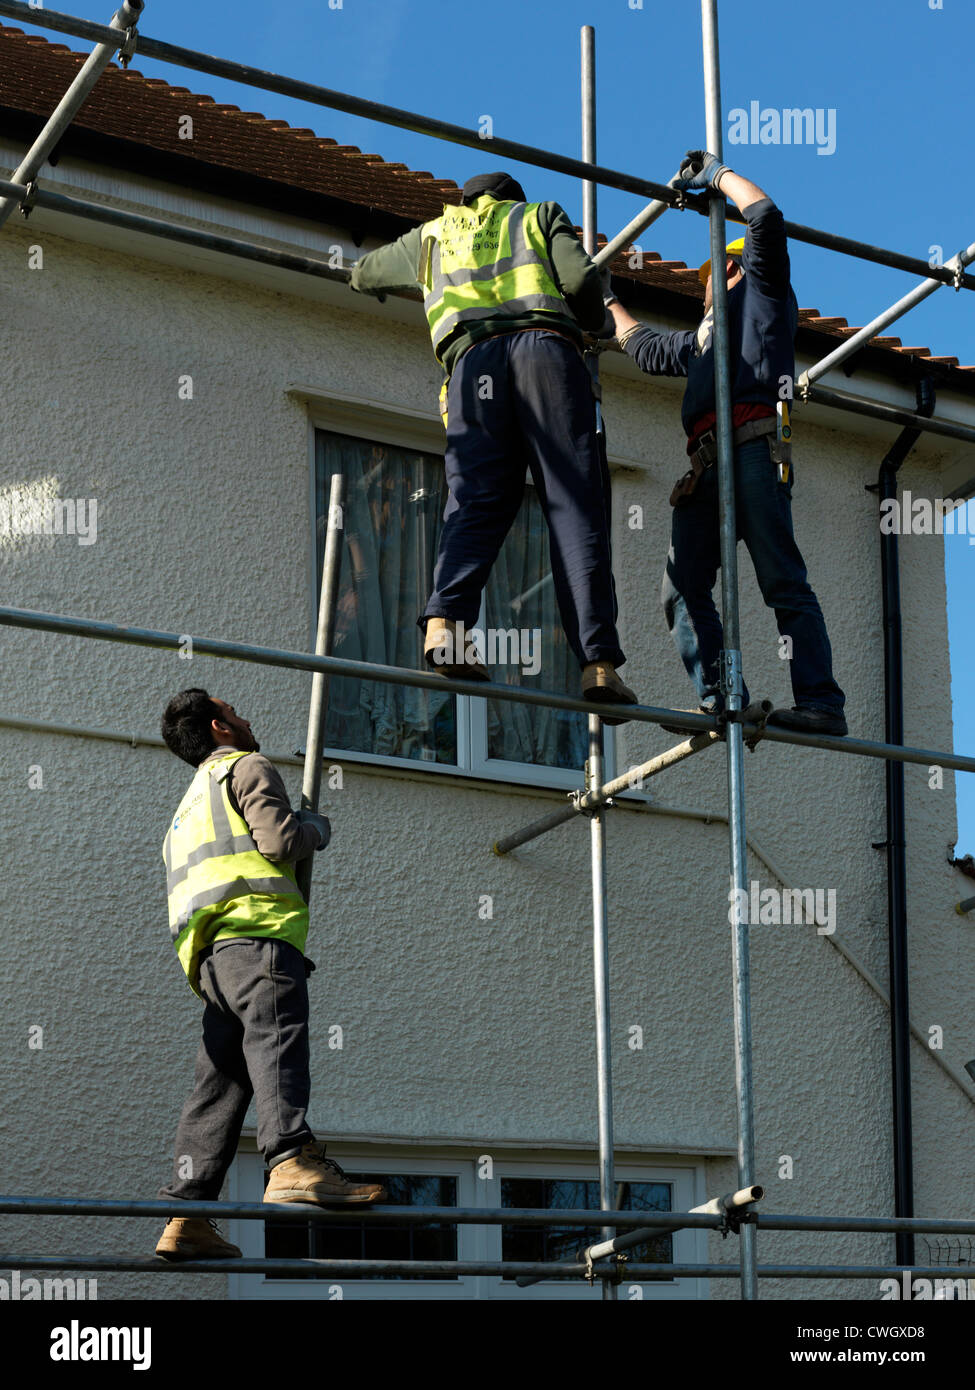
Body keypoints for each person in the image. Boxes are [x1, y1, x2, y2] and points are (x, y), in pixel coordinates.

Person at [350, 170, 637, 721]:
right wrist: (597, 323)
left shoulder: (432, 235)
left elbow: (364, 273)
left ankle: (445, 628)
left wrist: (389, 279)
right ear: (512, 199)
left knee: (475, 502)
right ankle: (597, 664)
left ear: (467, 201)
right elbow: (580, 285)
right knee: (574, 507)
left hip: (471, 368)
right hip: (546, 354)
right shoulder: (538, 215)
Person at [605, 151, 847, 737]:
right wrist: (605, 298)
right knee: (681, 585)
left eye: (716, 271)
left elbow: (763, 215)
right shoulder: (705, 341)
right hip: (708, 466)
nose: (708, 284)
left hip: (756, 449)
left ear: (732, 270)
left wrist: (718, 177)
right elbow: (645, 347)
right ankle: (721, 696)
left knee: (781, 581)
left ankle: (820, 701)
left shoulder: (762, 295)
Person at [154, 688, 386, 1261]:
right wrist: (318, 826)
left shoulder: (187, 805)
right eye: (235, 712)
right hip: (257, 940)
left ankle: (186, 1216)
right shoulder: (247, 766)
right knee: (277, 1041)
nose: (247, 716)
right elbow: (280, 841)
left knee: (218, 1086)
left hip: (211, 963)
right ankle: (289, 1161)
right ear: (220, 727)